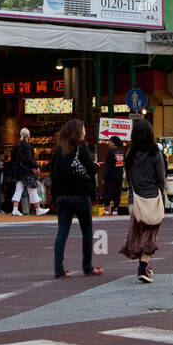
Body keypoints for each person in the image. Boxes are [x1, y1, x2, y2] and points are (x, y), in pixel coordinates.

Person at [47, 119, 102, 278]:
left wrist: (55, 196)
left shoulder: (59, 149)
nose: (85, 131)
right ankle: (87, 266)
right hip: (79, 195)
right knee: (87, 231)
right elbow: (91, 169)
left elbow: (53, 173)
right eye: (83, 129)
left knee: (62, 232)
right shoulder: (81, 148)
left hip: (62, 197)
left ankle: (59, 268)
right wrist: (97, 166)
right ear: (78, 132)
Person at [120, 118, 166, 283]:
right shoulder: (155, 152)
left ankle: (145, 265)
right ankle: (142, 268)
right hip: (152, 196)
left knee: (138, 231)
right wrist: (162, 193)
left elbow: (128, 177)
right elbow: (161, 177)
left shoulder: (130, 153)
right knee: (150, 232)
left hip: (135, 197)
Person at [8, 128, 49, 216]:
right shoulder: (27, 146)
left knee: (18, 189)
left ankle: (15, 209)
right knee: (33, 190)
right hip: (26, 171)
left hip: (18, 171)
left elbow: (13, 159)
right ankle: (38, 209)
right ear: (28, 136)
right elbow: (29, 159)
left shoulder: (17, 146)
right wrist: (36, 166)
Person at [102, 136, 125, 215]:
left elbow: (108, 167)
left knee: (108, 193)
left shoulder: (111, 152)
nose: (109, 143)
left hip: (111, 176)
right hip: (119, 176)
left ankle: (107, 211)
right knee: (117, 193)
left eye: (110, 141)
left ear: (113, 143)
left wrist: (104, 178)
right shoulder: (121, 152)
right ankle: (115, 211)